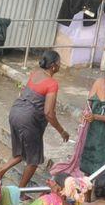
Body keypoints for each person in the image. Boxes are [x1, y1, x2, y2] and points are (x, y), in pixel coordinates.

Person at [8, 55, 69, 189]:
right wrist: (62, 131)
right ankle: (21, 191)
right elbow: (49, 113)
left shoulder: (35, 72)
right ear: (53, 66)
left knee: (20, 154)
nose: (60, 66)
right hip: (28, 120)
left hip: (15, 111)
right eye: (59, 63)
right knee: (33, 160)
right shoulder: (52, 84)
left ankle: (0, 171)